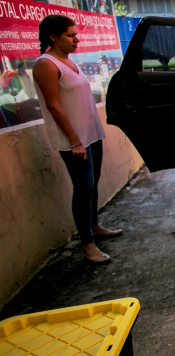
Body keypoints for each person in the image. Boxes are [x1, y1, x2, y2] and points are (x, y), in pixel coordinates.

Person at [32, 15, 123, 264]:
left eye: (76, 34)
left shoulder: (69, 62)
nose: (76, 39)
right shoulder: (46, 64)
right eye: (70, 35)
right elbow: (53, 106)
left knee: (92, 185)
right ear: (53, 37)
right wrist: (74, 141)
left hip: (90, 135)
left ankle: (94, 226)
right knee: (82, 189)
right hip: (74, 141)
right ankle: (87, 244)